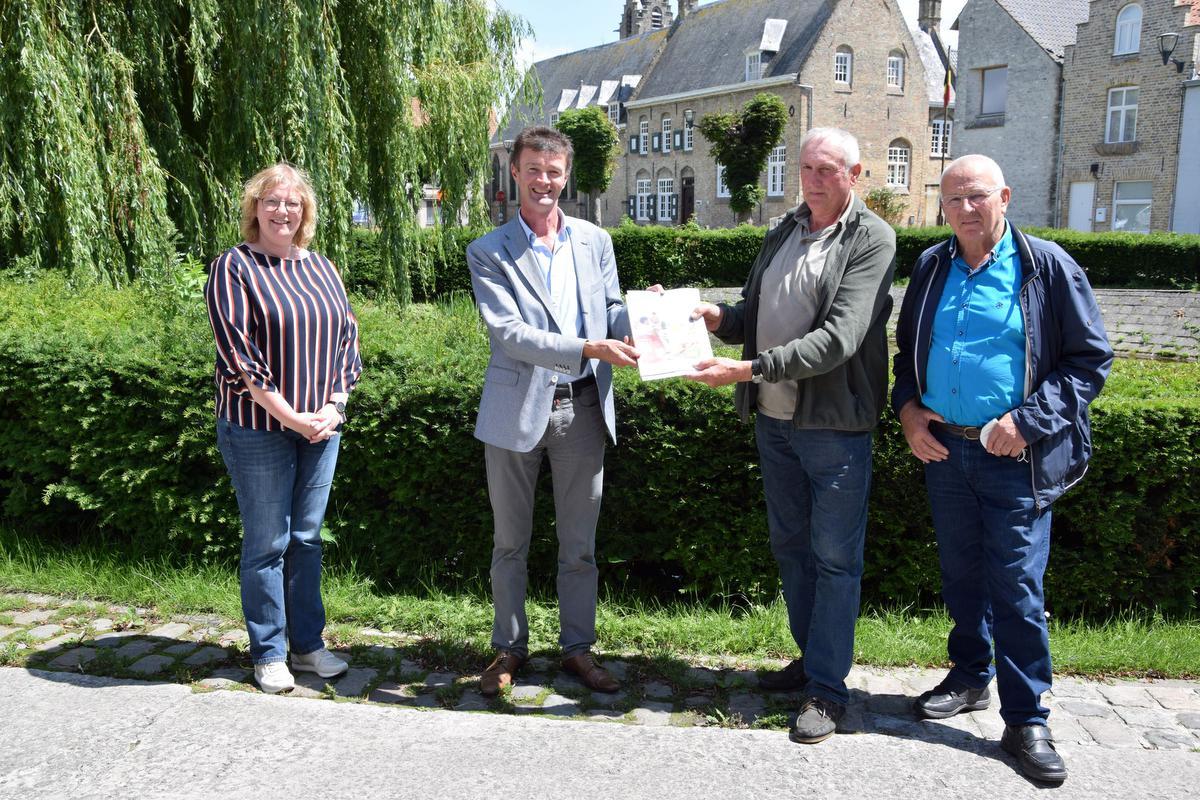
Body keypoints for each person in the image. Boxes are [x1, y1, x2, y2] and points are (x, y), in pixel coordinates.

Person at [892, 154, 1112, 784]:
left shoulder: (1046, 267)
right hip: (946, 450)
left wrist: (1027, 423)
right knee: (961, 573)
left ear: (1005, 197)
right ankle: (969, 677)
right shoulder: (932, 266)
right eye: (952, 198)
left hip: (1015, 457)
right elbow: (908, 353)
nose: (963, 209)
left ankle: (1026, 719)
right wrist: (909, 412)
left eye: (976, 197)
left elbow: (1088, 361)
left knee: (1015, 585)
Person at [688, 127, 896, 744]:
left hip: (834, 428)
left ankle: (829, 692)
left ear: (855, 174)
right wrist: (717, 317)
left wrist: (748, 369)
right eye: (805, 166)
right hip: (775, 422)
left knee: (835, 559)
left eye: (827, 168)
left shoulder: (870, 238)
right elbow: (758, 317)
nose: (813, 178)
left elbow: (839, 339)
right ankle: (813, 661)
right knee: (791, 548)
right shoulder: (785, 228)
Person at [467, 126, 637, 697]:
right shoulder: (489, 251)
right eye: (534, 169)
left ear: (567, 175)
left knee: (580, 544)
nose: (545, 180)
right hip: (517, 410)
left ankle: (578, 650)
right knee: (510, 542)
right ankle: (508, 650)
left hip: (584, 408)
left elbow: (611, 309)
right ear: (514, 172)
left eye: (554, 170)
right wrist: (588, 348)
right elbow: (511, 334)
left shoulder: (595, 241)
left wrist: (649, 318)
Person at [205, 163, 362, 695]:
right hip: (258, 428)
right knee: (268, 542)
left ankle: (308, 645)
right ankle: (269, 651)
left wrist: (335, 404)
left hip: (322, 426)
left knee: (307, 538)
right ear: (255, 209)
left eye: (292, 203)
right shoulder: (234, 267)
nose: (282, 212)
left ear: (304, 212)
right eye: (271, 202)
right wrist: (291, 416)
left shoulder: (321, 267)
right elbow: (238, 356)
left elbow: (348, 339)